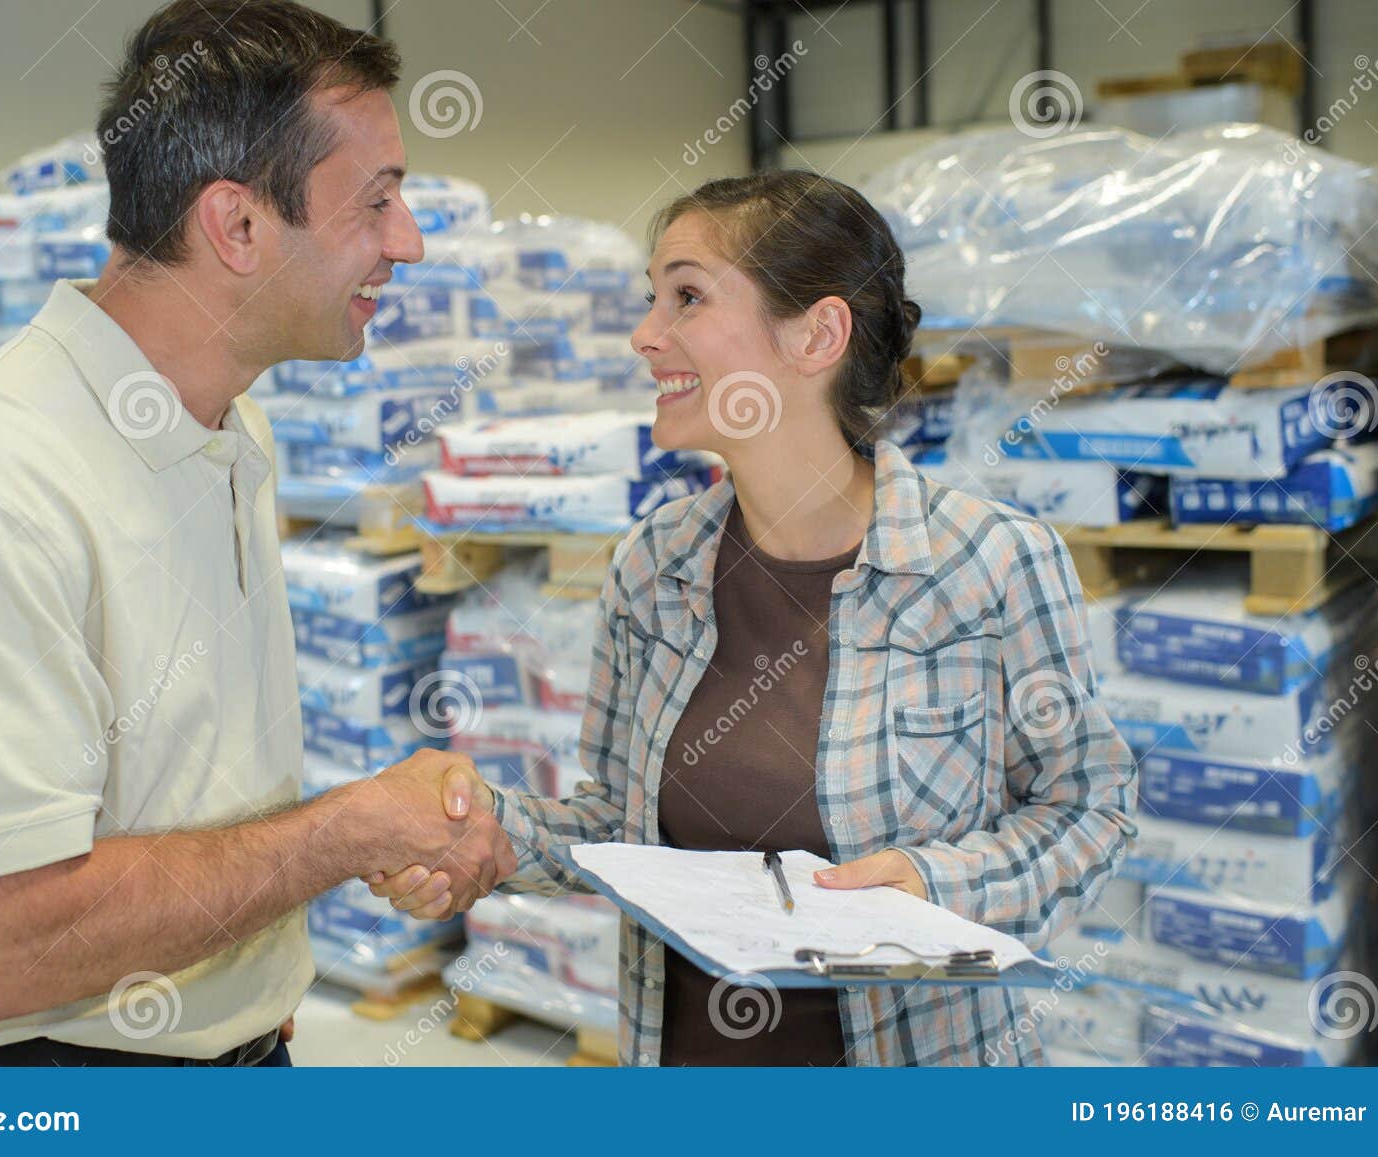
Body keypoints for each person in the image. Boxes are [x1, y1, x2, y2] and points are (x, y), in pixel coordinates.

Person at [0, 0, 511, 1068]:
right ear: (237, 225)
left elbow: (187, 778)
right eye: (376, 201)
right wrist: (340, 834)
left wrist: (245, 982)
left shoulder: (228, 427)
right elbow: (5, 946)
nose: (408, 241)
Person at [370, 171, 1138, 1066]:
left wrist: (935, 879)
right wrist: (482, 829)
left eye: (686, 297)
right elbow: (619, 828)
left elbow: (1091, 810)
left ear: (817, 334)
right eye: (651, 300)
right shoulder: (653, 566)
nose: (645, 335)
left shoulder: (991, 565)